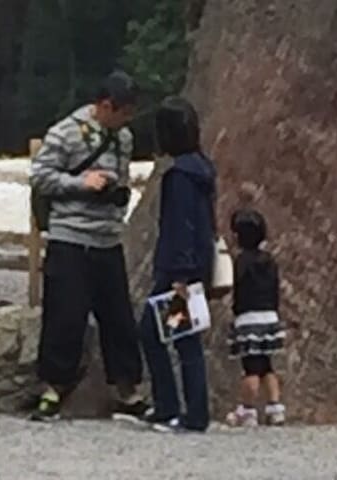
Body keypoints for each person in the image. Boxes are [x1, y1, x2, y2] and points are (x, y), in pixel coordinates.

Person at [28, 71, 148, 422]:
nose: (126, 120)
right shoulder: (65, 132)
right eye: (123, 112)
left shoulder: (123, 139)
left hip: (107, 238)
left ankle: (126, 388)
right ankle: (52, 388)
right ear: (105, 105)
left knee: (118, 319)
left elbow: (121, 178)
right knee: (65, 316)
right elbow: (41, 176)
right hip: (70, 237)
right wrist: (81, 183)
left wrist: (115, 199)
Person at [138, 96, 217, 433]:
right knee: (177, 336)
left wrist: (179, 276)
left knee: (170, 336)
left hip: (177, 270)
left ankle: (186, 411)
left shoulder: (179, 177)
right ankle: (175, 406)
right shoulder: (201, 169)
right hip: (195, 264)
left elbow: (179, 226)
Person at [224, 208, 290, 428]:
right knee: (266, 366)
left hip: (248, 318)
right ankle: (275, 407)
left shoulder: (240, 262)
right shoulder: (269, 261)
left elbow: (236, 290)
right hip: (269, 317)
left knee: (250, 369)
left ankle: (248, 409)